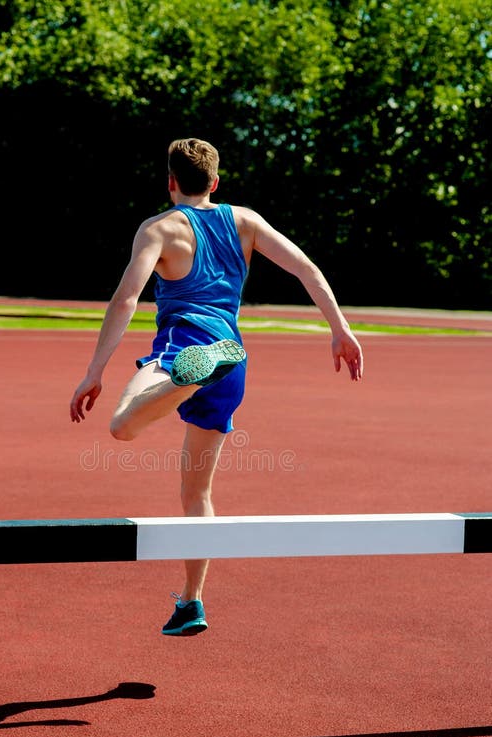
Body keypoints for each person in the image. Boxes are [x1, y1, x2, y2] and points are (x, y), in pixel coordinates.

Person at [70, 137, 363, 637]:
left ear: (170, 182)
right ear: (215, 182)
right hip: (233, 359)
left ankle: (189, 379)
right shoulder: (244, 221)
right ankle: (191, 601)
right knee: (197, 491)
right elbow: (305, 268)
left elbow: (126, 299)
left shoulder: (159, 228)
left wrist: (94, 370)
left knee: (122, 425)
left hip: (182, 346)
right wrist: (340, 329)